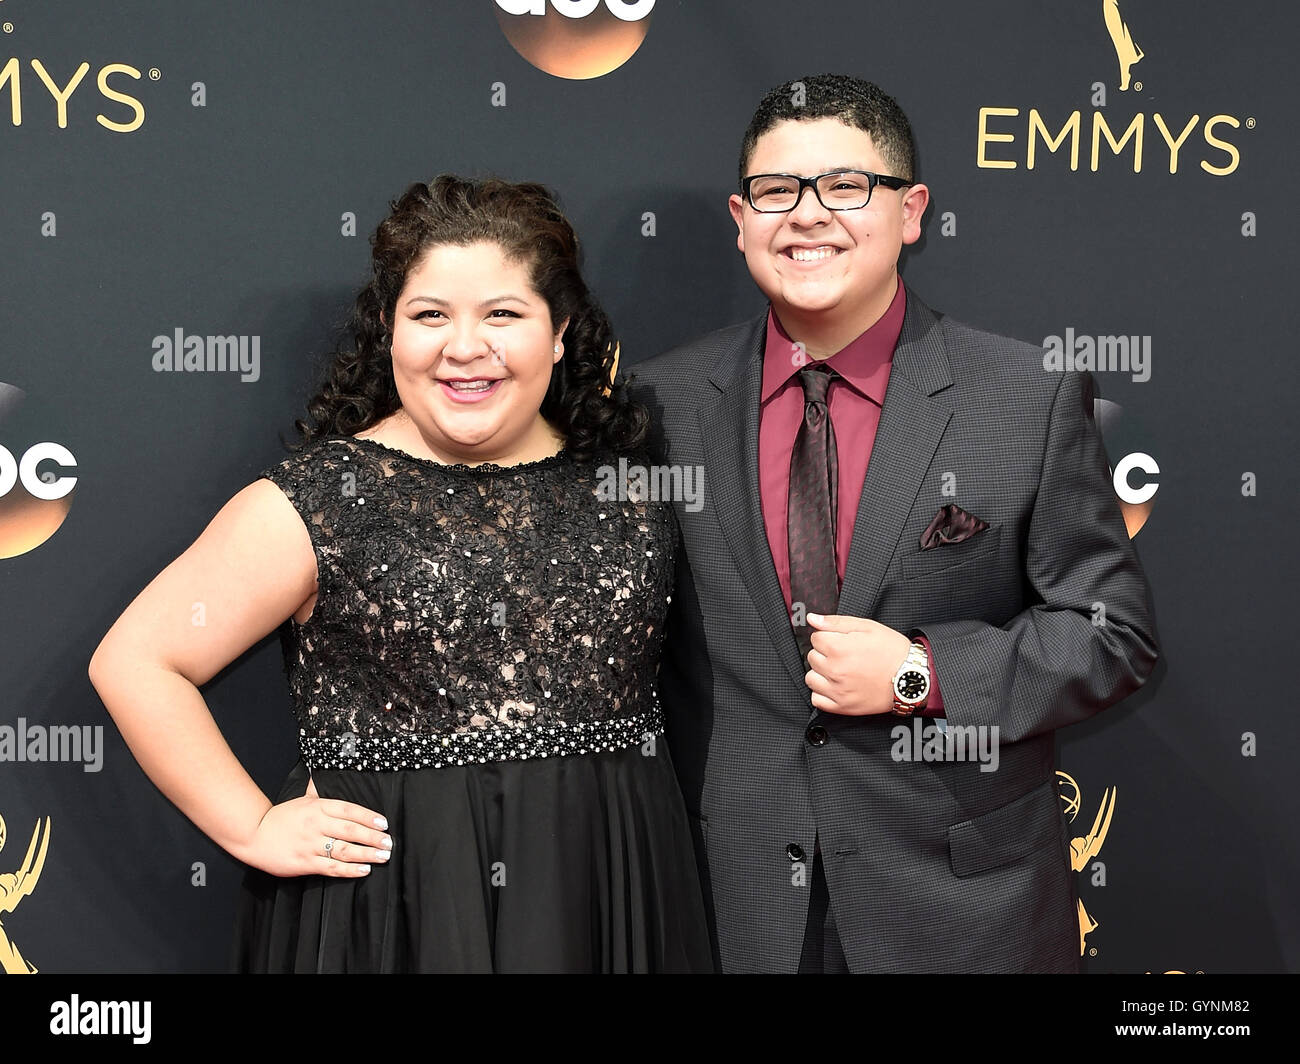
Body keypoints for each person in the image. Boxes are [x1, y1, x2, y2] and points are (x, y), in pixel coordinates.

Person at [89, 175, 712, 973]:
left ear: (559, 332)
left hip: (613, 888)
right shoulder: (323, 498)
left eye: (503, 314)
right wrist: (250, 826)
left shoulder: (632, 487)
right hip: (393, 914)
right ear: (388, 331)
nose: (464, 346)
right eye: (430, 315)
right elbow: (138, 661)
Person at [623, 74, 1160, 973]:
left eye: (845, 186)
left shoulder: (1025, 396)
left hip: (962, 911)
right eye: (776, 192)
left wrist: (922, 673)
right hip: (730, 904)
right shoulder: (658, 404)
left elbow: (1114, 637)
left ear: (911, 211)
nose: (806, 215)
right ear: (741, 217)